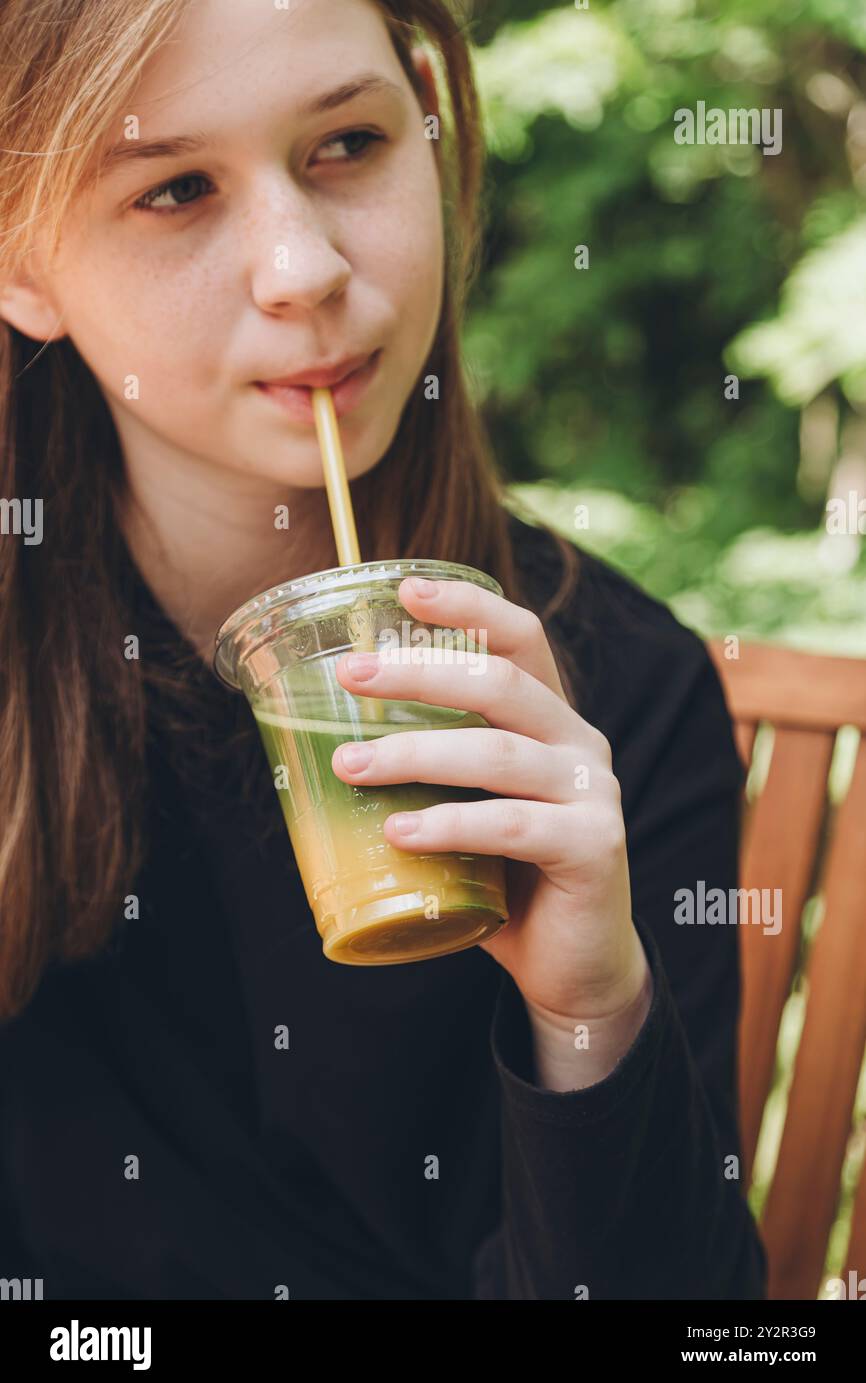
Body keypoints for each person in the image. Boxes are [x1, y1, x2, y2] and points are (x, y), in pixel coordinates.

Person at [0, 0, 767, 1299]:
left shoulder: (619, 699)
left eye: (346, 143)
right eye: (178, 186)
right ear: (19, 257)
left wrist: (590, 1013)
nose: (301, 268)